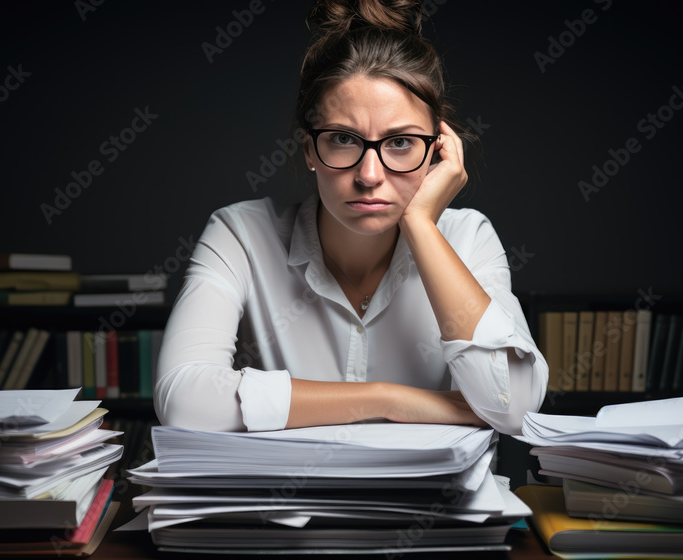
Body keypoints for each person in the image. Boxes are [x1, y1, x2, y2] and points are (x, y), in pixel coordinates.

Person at [154, 0, 548, 435]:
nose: (370, 175)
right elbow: (184, 400)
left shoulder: (469, 237)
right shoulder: (241, 234)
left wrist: (419, 224)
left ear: (437, 150)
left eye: (400, 143)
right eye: (343, 139)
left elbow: (513, 406)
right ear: (309, 150)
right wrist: (388, 399)